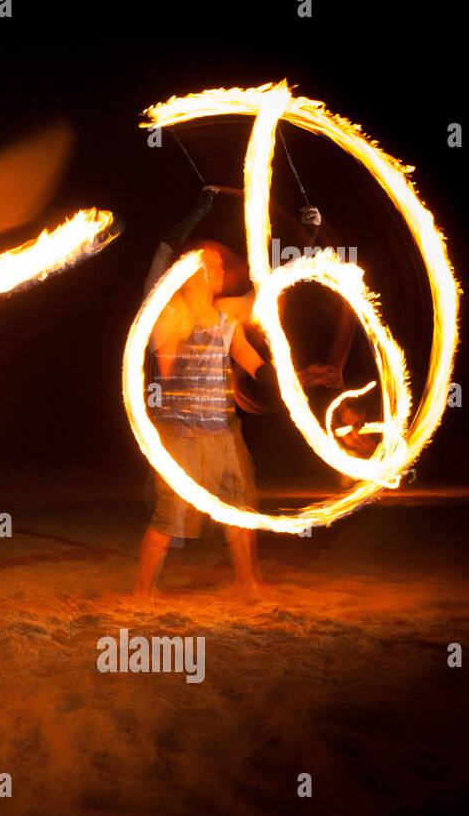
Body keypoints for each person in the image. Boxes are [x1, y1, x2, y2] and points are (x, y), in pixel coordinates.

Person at [134, 236, 340, 603]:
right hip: (180, 436)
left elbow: (257, 368)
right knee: (169, 517)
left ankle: (248, 583)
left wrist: (303, 378)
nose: (221, 270)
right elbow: (161, 353)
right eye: (211, 265)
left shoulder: (226, 317)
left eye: (219, 265)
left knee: (239, 510)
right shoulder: (168, 316)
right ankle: (142, 592)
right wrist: (170, 247)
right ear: (191, 273)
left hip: (224, 433)